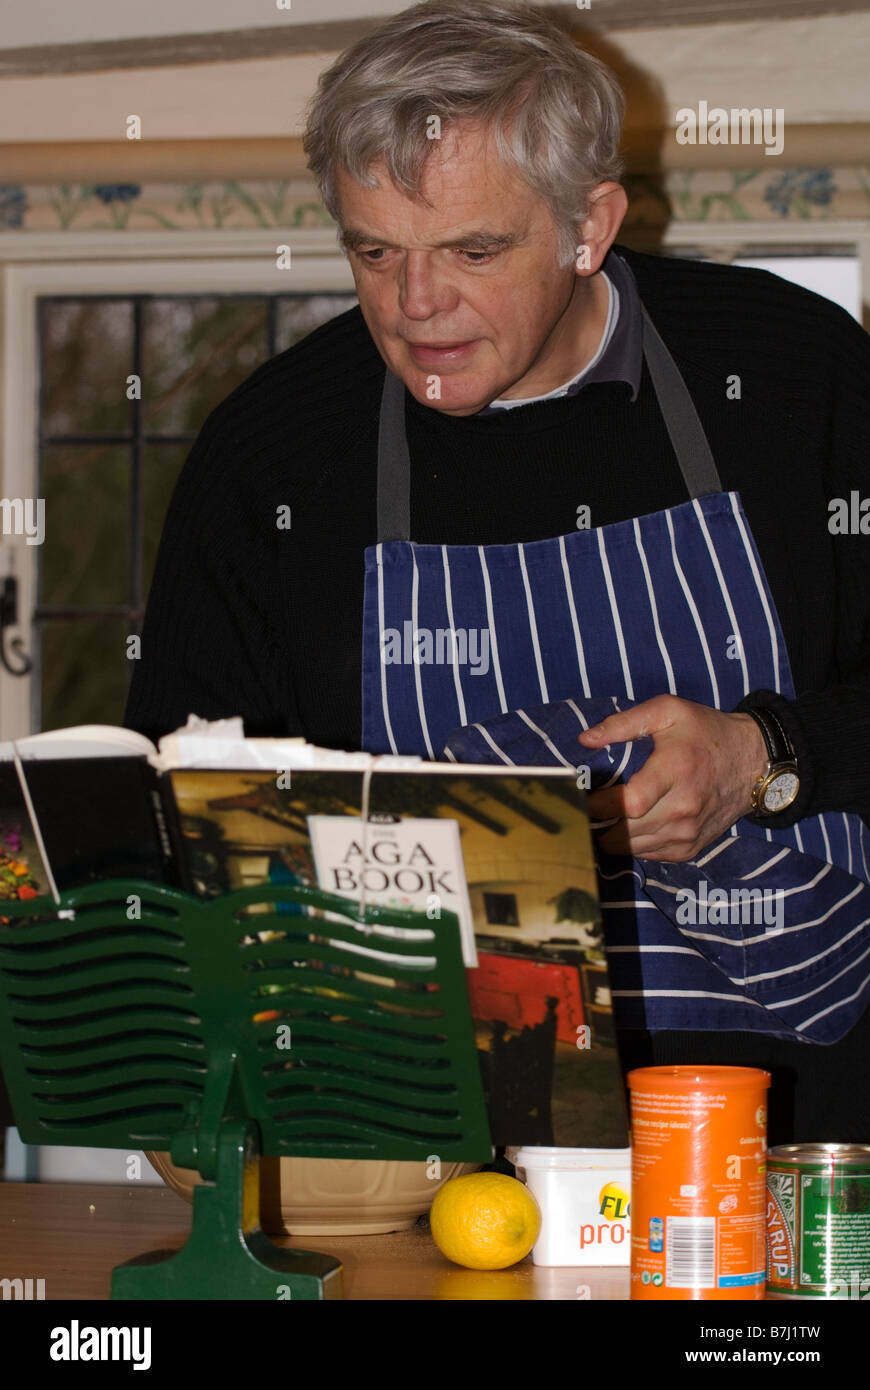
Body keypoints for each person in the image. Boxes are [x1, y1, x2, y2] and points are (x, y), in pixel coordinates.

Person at [125, 0, 870, 1141]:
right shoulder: (274, 452)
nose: (415, 306)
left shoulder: (794, 377)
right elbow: (179, 816)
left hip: (805, 1125)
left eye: (474, 250)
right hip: (434, 1125)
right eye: (375, 251)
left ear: (590, 225)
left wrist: (762, 754)